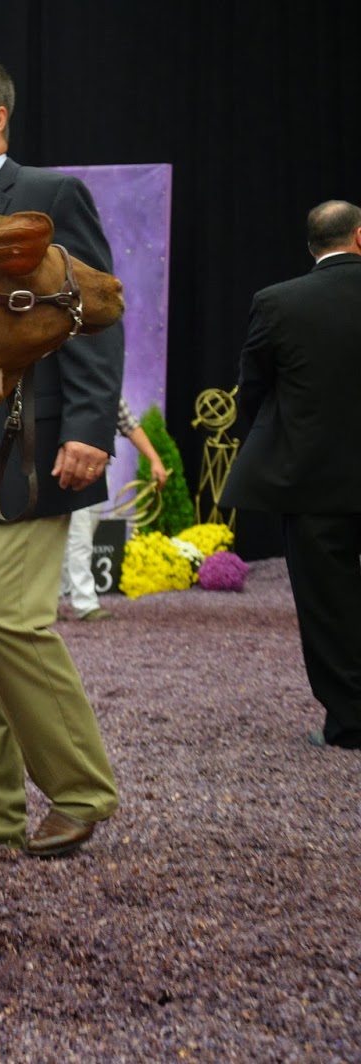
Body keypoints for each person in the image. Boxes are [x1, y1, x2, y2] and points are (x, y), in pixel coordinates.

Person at [0, 56, 124, 856]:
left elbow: (88, 313)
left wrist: (88, 428)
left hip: (34, 446)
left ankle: (82, 788)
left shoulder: (46, 196)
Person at [220, 200, 361, 750]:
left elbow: (250, 388)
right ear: (358, 237)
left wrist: (282, 441)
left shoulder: (276, 302)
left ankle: (349, 723)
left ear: (311, 247)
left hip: (310, 478)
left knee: (326, 605)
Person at [60, 397, 170, 621]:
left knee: (76, 537)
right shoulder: (75, 384)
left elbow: (128, 423)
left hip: (98, 472)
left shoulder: (105, 388)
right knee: (78, 540)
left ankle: (53, 600)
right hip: (73, 470)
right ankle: (85, 603)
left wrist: (154, 459)